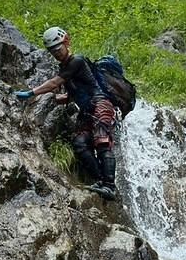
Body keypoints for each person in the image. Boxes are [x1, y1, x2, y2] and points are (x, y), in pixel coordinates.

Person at [14, 27, 118, 199]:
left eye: (58, 48)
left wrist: (31, 93)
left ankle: (110, 186)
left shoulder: (76, 60)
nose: (56, 53)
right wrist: (54, 99)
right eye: (52, 51)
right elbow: (69, 95)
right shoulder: (65, 68)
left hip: (100, 105)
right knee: (80, 143)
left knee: (102, 141)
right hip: (86, 111)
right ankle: (100, 179)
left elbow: (55, 82)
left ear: (66, 43)